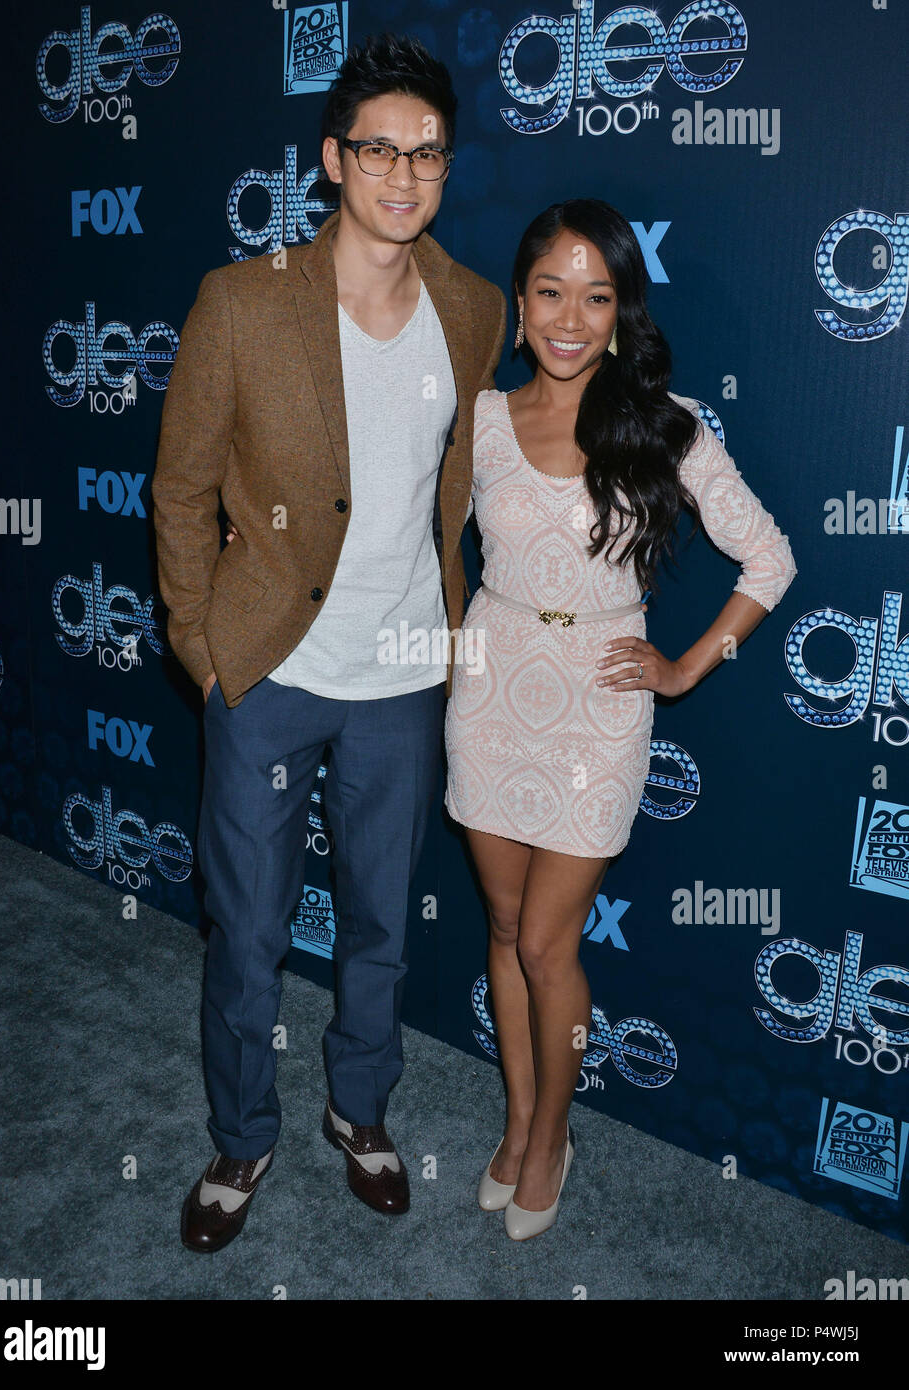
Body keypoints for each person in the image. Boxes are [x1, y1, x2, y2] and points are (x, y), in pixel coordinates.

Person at [152, 32, 505, 1253]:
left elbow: (454, 482)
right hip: (269, 672)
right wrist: (202, 648)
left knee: (379, 923)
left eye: (427, 153)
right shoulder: (242, 301)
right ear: (331, 160)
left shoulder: (473, 309)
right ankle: (240, 1133)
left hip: (403, 675)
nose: (404, 174)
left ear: (446, 168)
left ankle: (360, 1109)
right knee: (248, 931)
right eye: (379, 149)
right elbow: (180, 488)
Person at [444, 198, 797, 1240]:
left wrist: (685, 668)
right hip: (491, 695)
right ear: (518, 307)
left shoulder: (665, 424)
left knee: (547, 944)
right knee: (502, 928)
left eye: (594, 297)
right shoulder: (480, 419)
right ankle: (516, 1121)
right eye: (549, 292)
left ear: (620, 312)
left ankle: (553, 1135)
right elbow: (429, 547)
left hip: (598, 708)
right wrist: (449, 651)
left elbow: (770, 557)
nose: (569, 317)